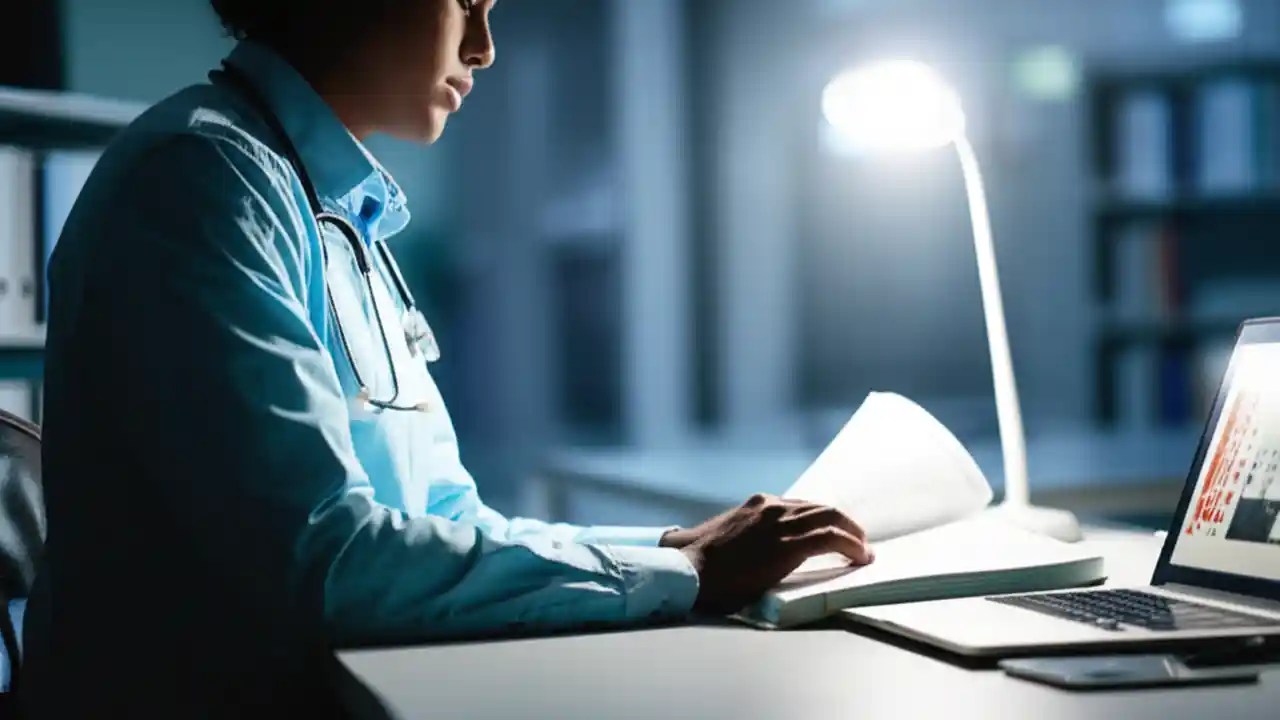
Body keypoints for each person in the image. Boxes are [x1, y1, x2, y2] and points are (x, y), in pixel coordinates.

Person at [22, 0, 874, 716]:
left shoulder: (337, 212)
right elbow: (322, 561)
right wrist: (682, 573)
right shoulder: (203, 181)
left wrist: (674, 546)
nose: (484, 47)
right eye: (466, 0)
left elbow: (450, 523)